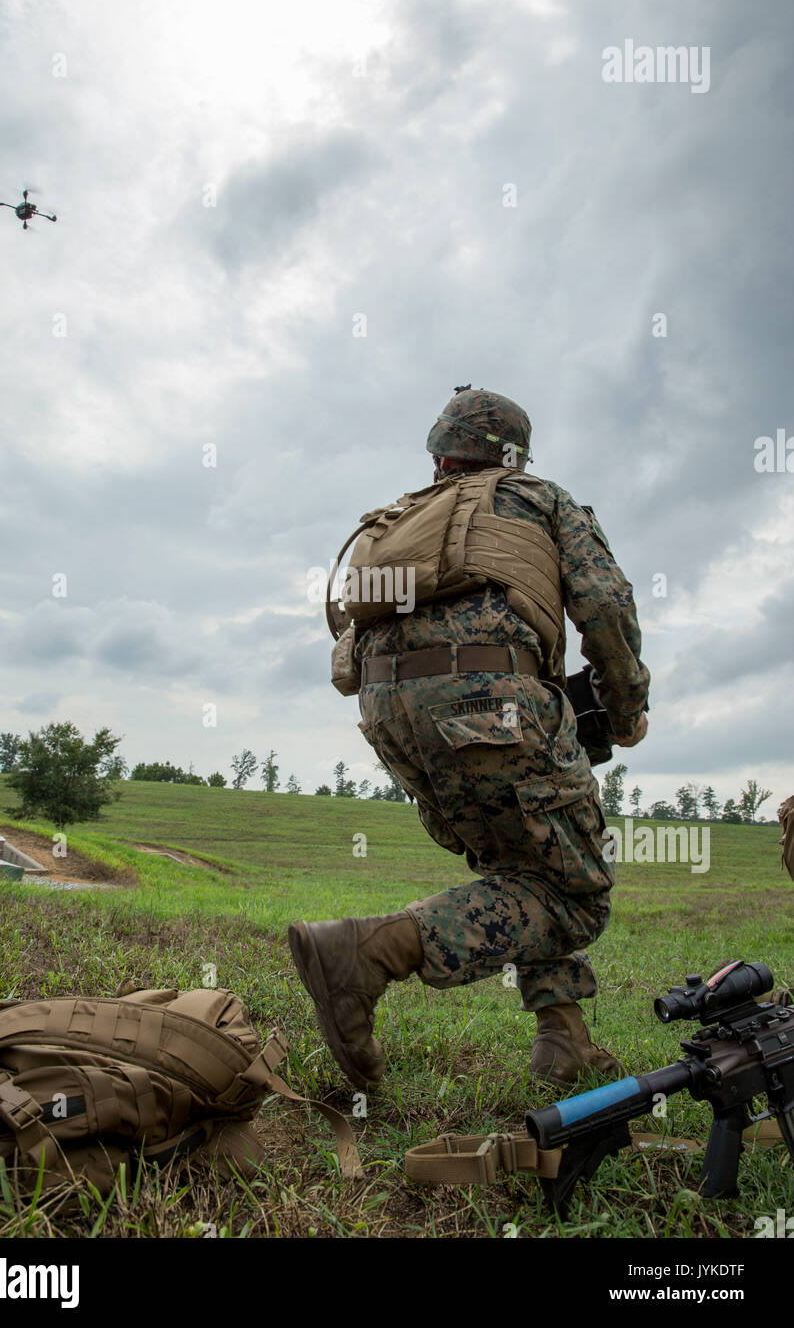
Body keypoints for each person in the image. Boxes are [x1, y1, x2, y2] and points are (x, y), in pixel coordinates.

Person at [289, 386, 649, 1090]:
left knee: (525, 866)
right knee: (576, 895)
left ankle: (564, 1040)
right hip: (490, 703)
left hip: (388, 713)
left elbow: (344, 655)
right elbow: (604, 604)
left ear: (438, 454)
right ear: (515, 455)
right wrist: (626, 707)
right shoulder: (539, 499)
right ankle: (365, 953)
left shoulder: (397, 519)